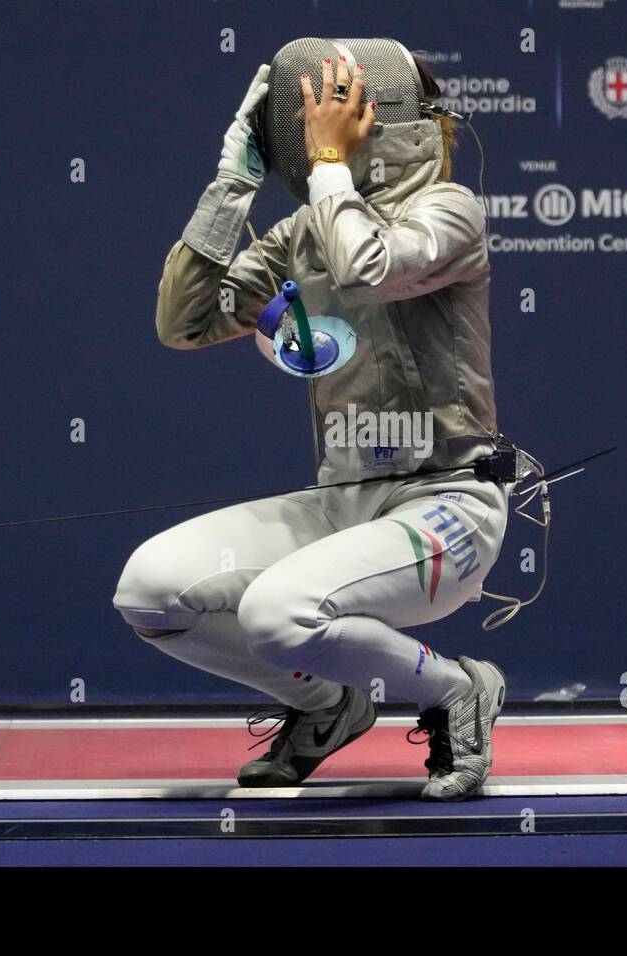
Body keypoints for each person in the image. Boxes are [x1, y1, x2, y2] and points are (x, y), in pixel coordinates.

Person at [113, 41, 512, 801]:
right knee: (151, 591)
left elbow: (372, 266)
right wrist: (231, 185)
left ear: (374, 115)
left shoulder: (450, 212)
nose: (306, 135)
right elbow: (183, 322)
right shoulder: (304, 231)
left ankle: (456, 690)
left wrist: (327, 166)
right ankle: (330, 704)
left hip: (449, 507)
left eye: (320, 114)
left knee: (277, 612)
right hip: (344, 504)